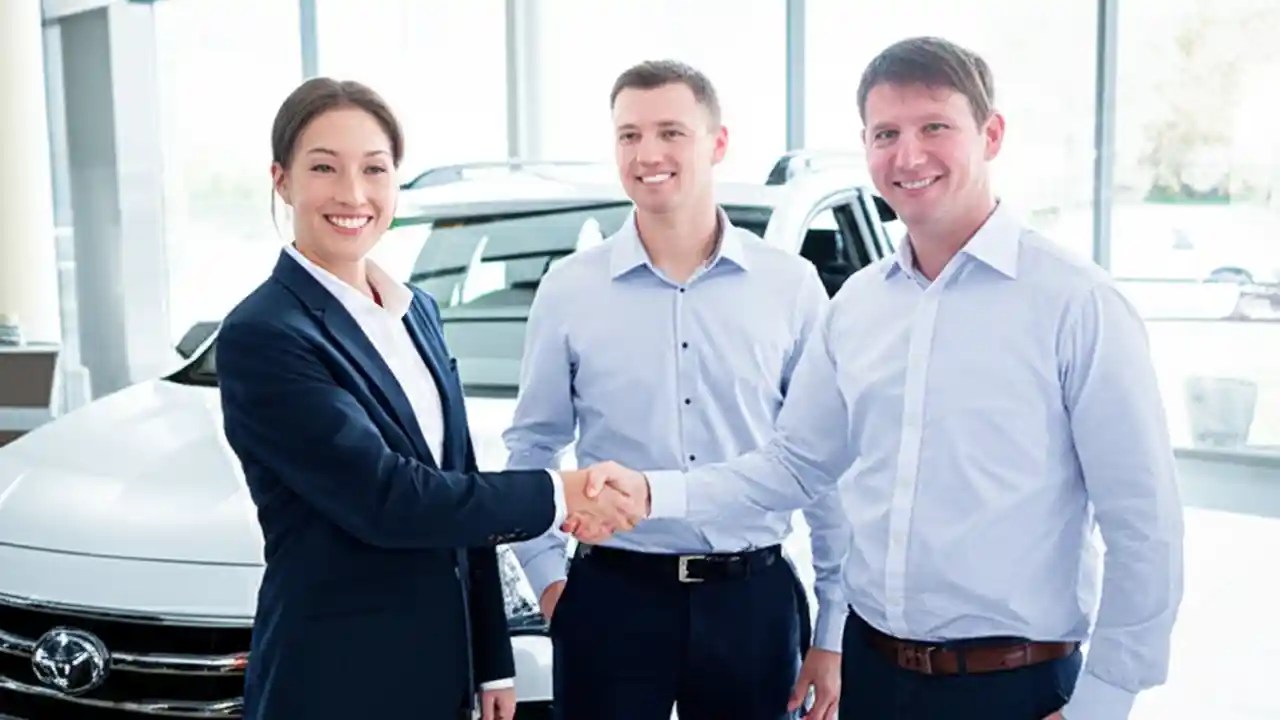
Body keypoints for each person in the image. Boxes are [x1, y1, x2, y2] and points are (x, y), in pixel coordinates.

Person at [588, 37, 1185, 720]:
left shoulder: (1076, 303)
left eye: (935, 127)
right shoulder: (858, 306)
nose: (908, 156)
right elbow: (794, 465)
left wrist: (1103, 704)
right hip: (875, 678)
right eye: (886, 134)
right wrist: (653, 491)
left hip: (1014, 688)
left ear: (990, 134)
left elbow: (1144, 523)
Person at [215, 77, 644, 720]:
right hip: (335, 679)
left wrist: (492, 657)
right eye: (324, 167)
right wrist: (564, 494)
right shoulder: (266, 332)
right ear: (282, 180)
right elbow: (389, 498)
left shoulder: (416, 311)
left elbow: (458, 477)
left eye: (374, 169)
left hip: (438, 672)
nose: (353, 193)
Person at [505, 60, 849, 720]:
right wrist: (551, 585)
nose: (648, 154)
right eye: (629, 135)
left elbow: (824, 465)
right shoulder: (570, 289)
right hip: (611, 599)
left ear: (718, 143)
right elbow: (531, 449)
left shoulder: (790, 286)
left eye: (671, 132)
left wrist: (833, 629)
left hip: (752, 601)